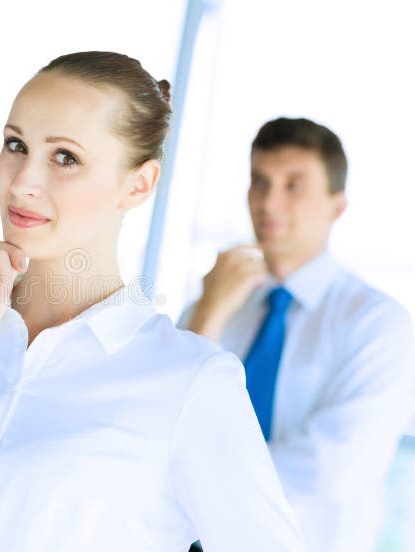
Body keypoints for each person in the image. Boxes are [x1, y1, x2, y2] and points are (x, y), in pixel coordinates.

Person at [0, 51, 305, 551]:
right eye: (15, 145)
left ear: (138, 184)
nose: (22, 182)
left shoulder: (188, 382)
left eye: (66, 158)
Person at [182, 117, 415, 551]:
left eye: (294, 185)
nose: (270, 203)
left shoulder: (378, 322)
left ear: (336, 204)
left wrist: (191, 481)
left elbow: (332, 470)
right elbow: (159, 418)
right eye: (259, 181)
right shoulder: (214, 303)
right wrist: (206, 317)